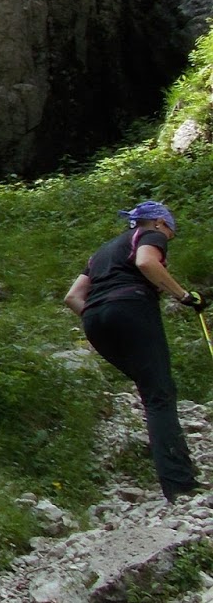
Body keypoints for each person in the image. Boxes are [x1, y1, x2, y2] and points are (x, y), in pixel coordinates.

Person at [65, 200, 203, 504]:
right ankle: (180, 486)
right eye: (170, 232)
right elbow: (146, 263)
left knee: (152, 389)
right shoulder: (151, 235)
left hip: (94, 319)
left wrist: (101, 312)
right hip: (132, 307)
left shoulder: (102, 252)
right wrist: (184, 296)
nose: (168, 239)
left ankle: (178, 473)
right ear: (160, 223)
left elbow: (72, 296)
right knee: (159, 395)